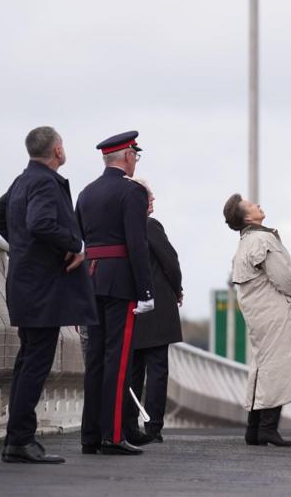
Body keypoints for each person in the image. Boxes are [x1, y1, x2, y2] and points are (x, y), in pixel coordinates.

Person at [0, 127, 98, 464]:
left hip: (25, 284)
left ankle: (17, 439)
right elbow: (40, 223)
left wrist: (22, 247)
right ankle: (20, 440)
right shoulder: (45, 182)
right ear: (58, 151)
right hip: (42, 289)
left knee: (28, 361)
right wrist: (74, 245)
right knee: (35, 363)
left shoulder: (23, 180)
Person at [222, 193, 291, 447]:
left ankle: (254, 429)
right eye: (252, 205)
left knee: (263, 366)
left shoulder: (243, 244)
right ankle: (268, 428)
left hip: (258, 314)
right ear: (248, 216)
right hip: (276, 313)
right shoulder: (263, 239)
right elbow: (283, 277)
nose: (258, 205)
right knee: (278, 368)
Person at [76, 130, 155, 456]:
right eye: (135, 154)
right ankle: (113, 434)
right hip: (120, 282)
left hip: (91, 280)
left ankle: (91, 435)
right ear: (126, 155)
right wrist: (146, 291)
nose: (136, 160)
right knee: (117, 361)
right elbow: (137, 244)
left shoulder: (86, 193)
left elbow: (82, 238)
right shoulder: (131, 193)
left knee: (95, 360)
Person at [121, 179, 183, 445]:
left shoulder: (122, 228)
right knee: (157, 370)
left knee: (133, 370)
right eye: (150, 197)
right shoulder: (150, 226)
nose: (153, 201)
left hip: (131, 307)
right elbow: (170, 261)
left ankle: (130, 423)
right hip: (157, 308)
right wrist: (177, 289)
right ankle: (153, 425)